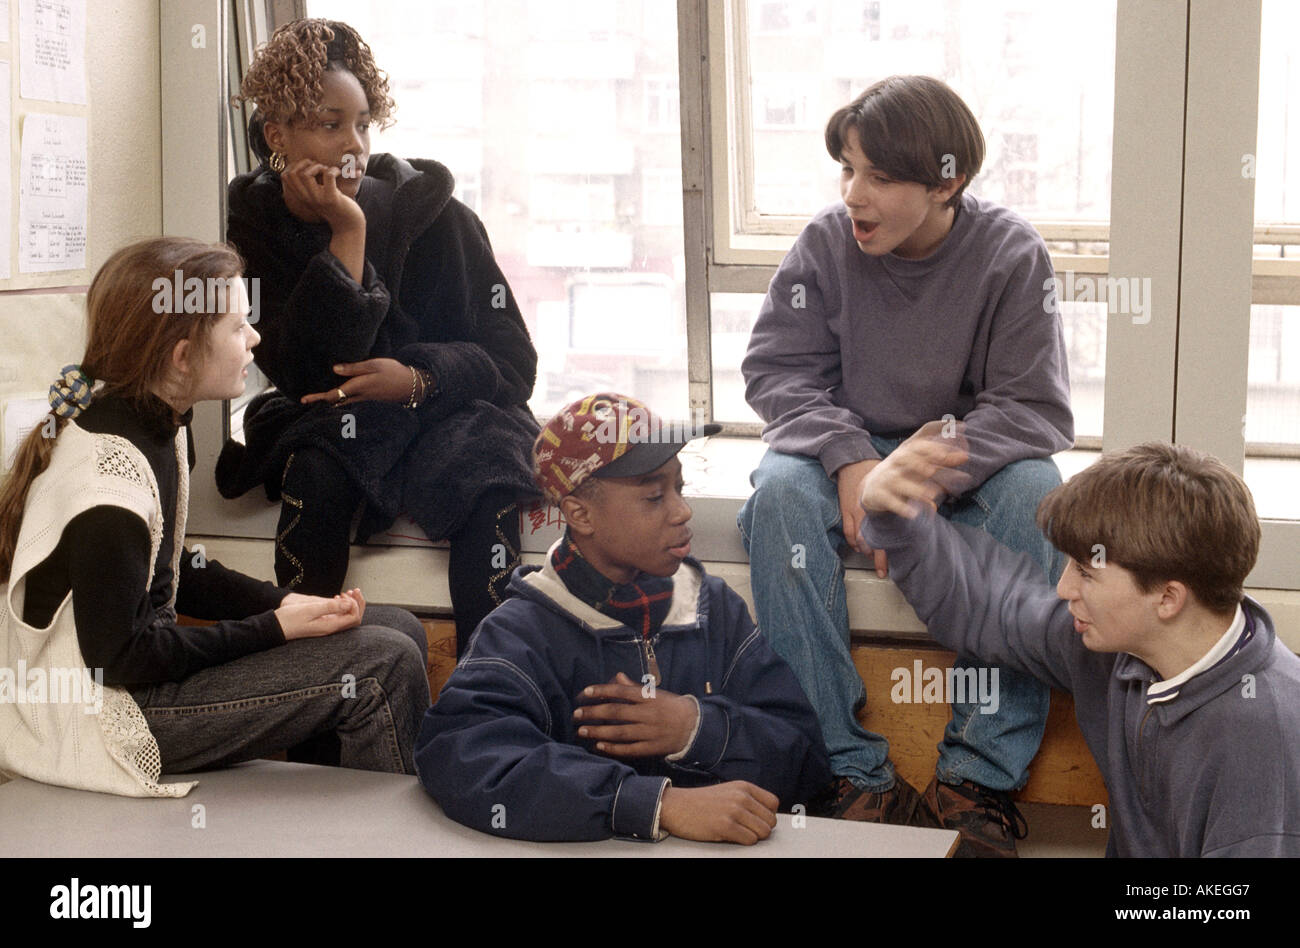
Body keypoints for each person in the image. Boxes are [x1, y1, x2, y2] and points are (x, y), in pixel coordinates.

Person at [737, 75, 1074, 855]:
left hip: (958, 453)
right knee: (779, 494)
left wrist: (922, 473)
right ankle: (846, 775)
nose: (855, 194)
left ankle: (976, 780)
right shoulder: (825, 243)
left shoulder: (1011, 255)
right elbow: (776, 374)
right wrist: (855, 462)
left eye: (881, 178)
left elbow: (1032, 409)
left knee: (1037, 495)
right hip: (845, 447)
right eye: (848, 170)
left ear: (947, 180)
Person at [0, 237, 431, 797]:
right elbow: (121, 658)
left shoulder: (159, 421)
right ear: (182, 356)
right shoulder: (107, 484)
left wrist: (283, 602)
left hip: (135, 684)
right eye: (236, 327)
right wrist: (273, 629)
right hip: (100, 719)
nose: (254, 338)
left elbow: (172, 566)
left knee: (397, 628)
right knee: (383, 666)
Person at [216, 18, 539, 655]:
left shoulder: (439, 216)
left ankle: (492, 707)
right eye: (331, 124)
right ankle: (308, 700)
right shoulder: (254, 229)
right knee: (315, 471)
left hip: (454, 411)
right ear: (277, 135)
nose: (354, 145)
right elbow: (311, 372)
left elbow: (514, 362)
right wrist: (348, 234)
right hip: (342, 423)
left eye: (363, 123)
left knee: (489, 474)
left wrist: (418, 378)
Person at [857, 423, 1300, 857]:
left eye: (1086, 573)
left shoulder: (1261, 740)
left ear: (1168, 598)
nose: (1065, 588)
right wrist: (895, 511)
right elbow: (989, 603)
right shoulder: (1123, 647)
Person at [414, 393, 831, 843]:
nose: (682, 511)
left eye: (680, 488)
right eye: (654, 496)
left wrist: (696, 728)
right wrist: (652, 802)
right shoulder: (521, 633)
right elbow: (461, 755)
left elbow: (807, 764)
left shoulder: (715, 610)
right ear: (580, 513)